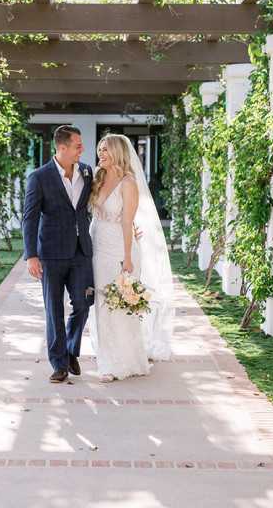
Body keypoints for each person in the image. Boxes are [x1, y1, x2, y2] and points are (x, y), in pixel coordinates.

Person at [87, 134, 175, 382]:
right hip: (96, 247)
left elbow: (127, 222)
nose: (100, 154)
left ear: (117, 152)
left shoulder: (128, 183)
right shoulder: (96, 177)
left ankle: (119, 363)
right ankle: (107, 356)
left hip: (119, 250)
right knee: (102, 305)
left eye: (105, 150)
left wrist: (127, 257)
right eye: (99, 150)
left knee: (120, 304)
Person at [22, 125, 95, 383]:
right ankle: (59, 364)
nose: (82, 150)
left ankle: (71, 349)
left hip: (81, 251)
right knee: (54, 309)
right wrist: (31, 255)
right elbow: (30, 218)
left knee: (85, 302)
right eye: (78, 146)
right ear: (62, 147)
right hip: (50, 254)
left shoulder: (87, 172)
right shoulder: (39, 177)